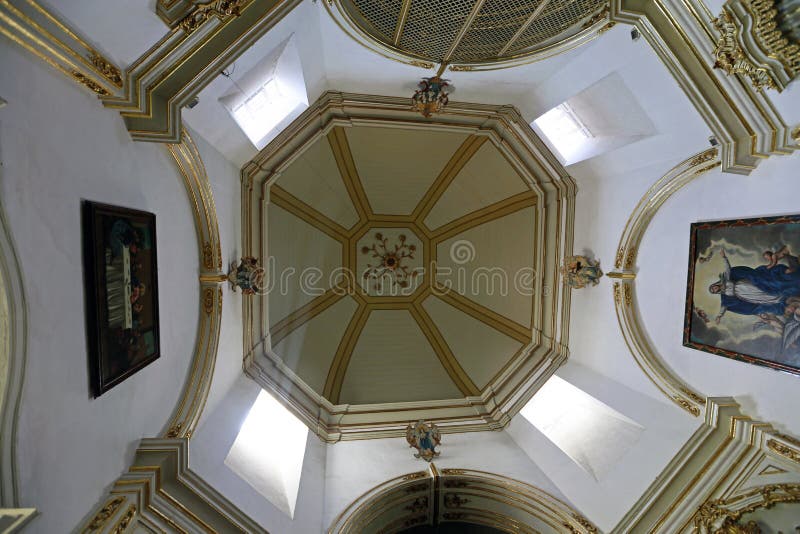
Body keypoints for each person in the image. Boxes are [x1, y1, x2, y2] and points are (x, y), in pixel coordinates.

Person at [710, 248, 800, 323]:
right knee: (762, 297)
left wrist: (724, 257)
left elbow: (727, 268)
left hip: (744, 284)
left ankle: (782, 288)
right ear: (716, 292)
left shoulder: (725, 279)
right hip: (745, 295)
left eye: (713, 287)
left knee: (762, 287)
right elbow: (723, 307)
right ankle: (778, 298)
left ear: (715, 285)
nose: (715, 289)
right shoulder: (725, 297)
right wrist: (719, 316)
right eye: (714, 290)